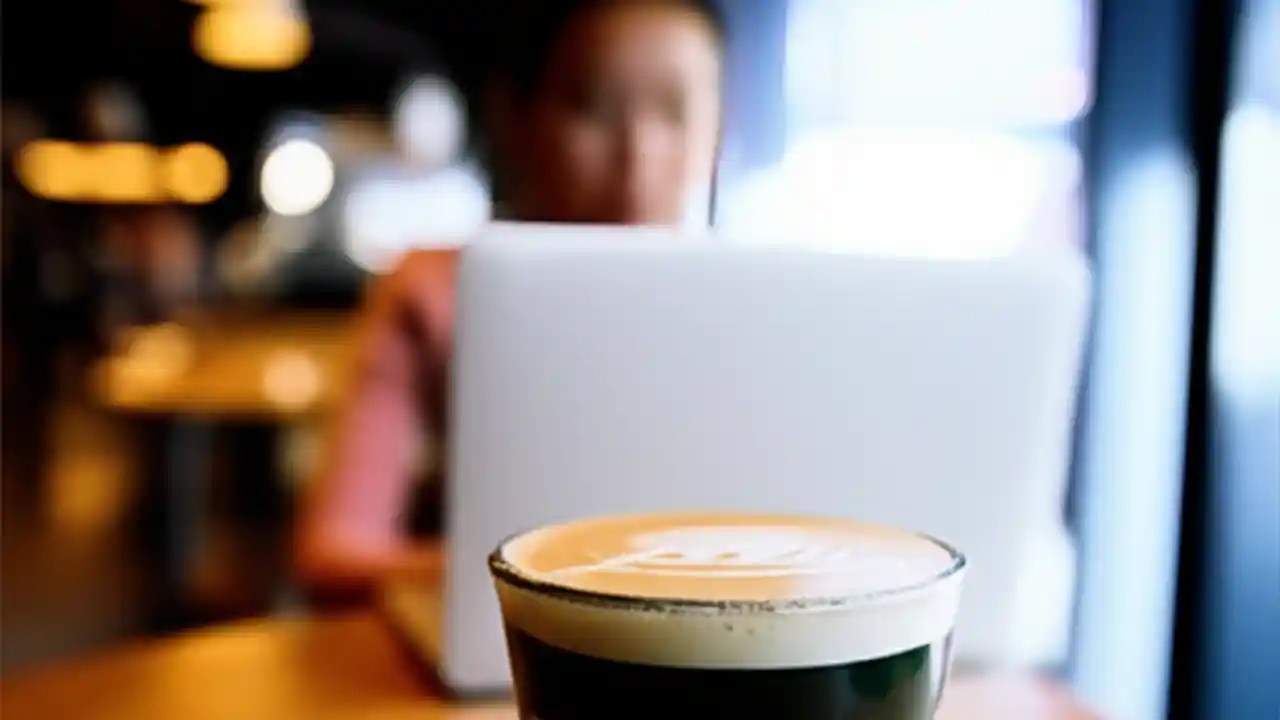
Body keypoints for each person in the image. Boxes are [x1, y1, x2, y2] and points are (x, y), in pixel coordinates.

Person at [296, 0, 725, 600]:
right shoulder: (436, 293)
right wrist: (563, 580)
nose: (639, 155)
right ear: (513, 115)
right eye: (594, 108)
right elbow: (332, 549)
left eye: (674, 112)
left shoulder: (743, 314)